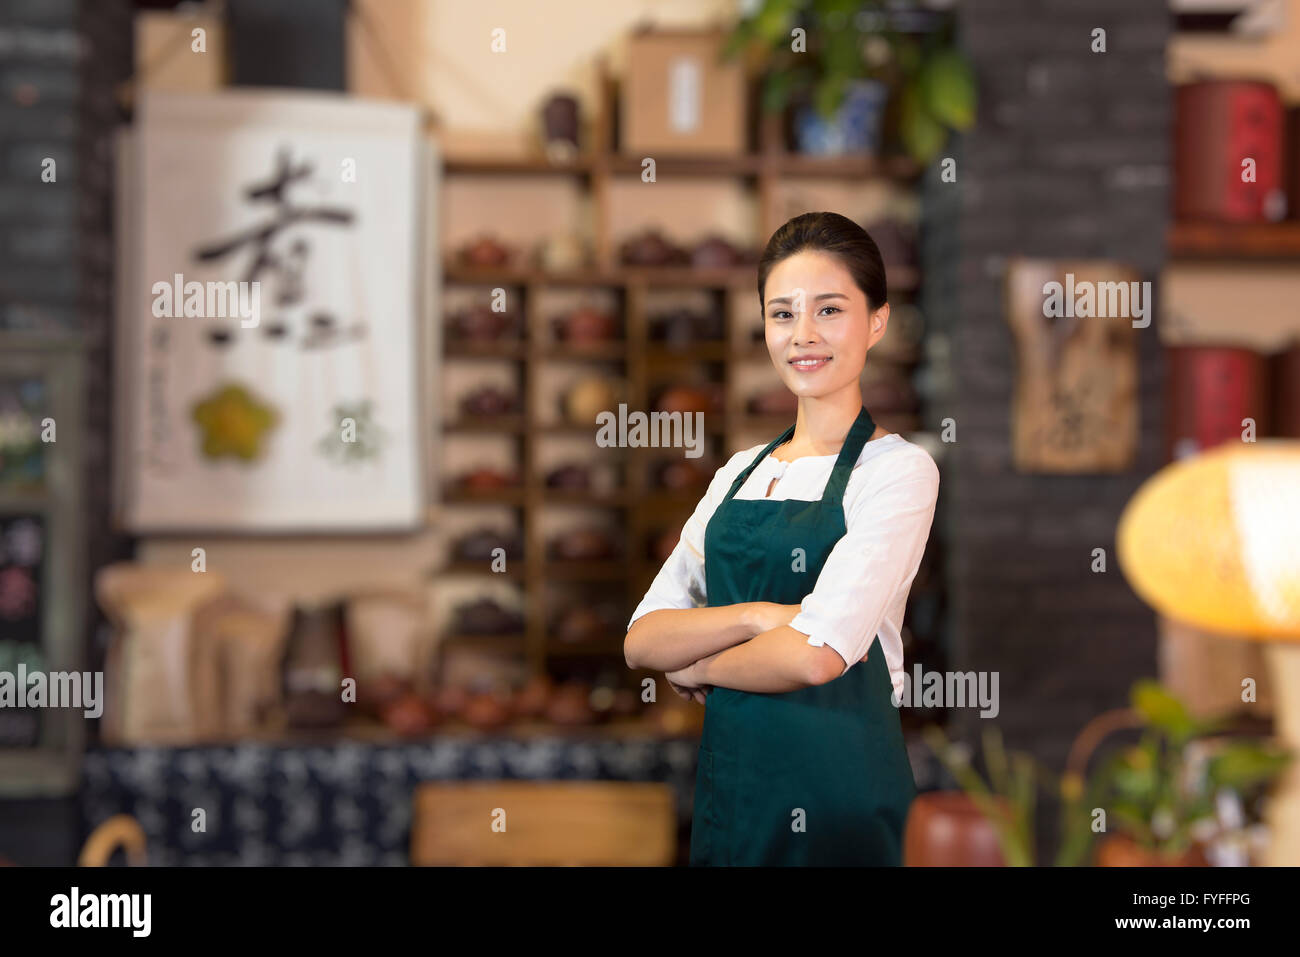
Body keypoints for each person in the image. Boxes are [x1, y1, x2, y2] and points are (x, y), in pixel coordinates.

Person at [623, 211, 940, 865]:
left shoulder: (898, 471)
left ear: (877, 320)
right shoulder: (738, 473)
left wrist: (698, 664)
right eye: (782, 313)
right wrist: (760, 616)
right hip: (735, 796)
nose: (803, 336)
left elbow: (814, 658)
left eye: (829, 309)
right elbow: (643, 638)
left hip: (841, 798)